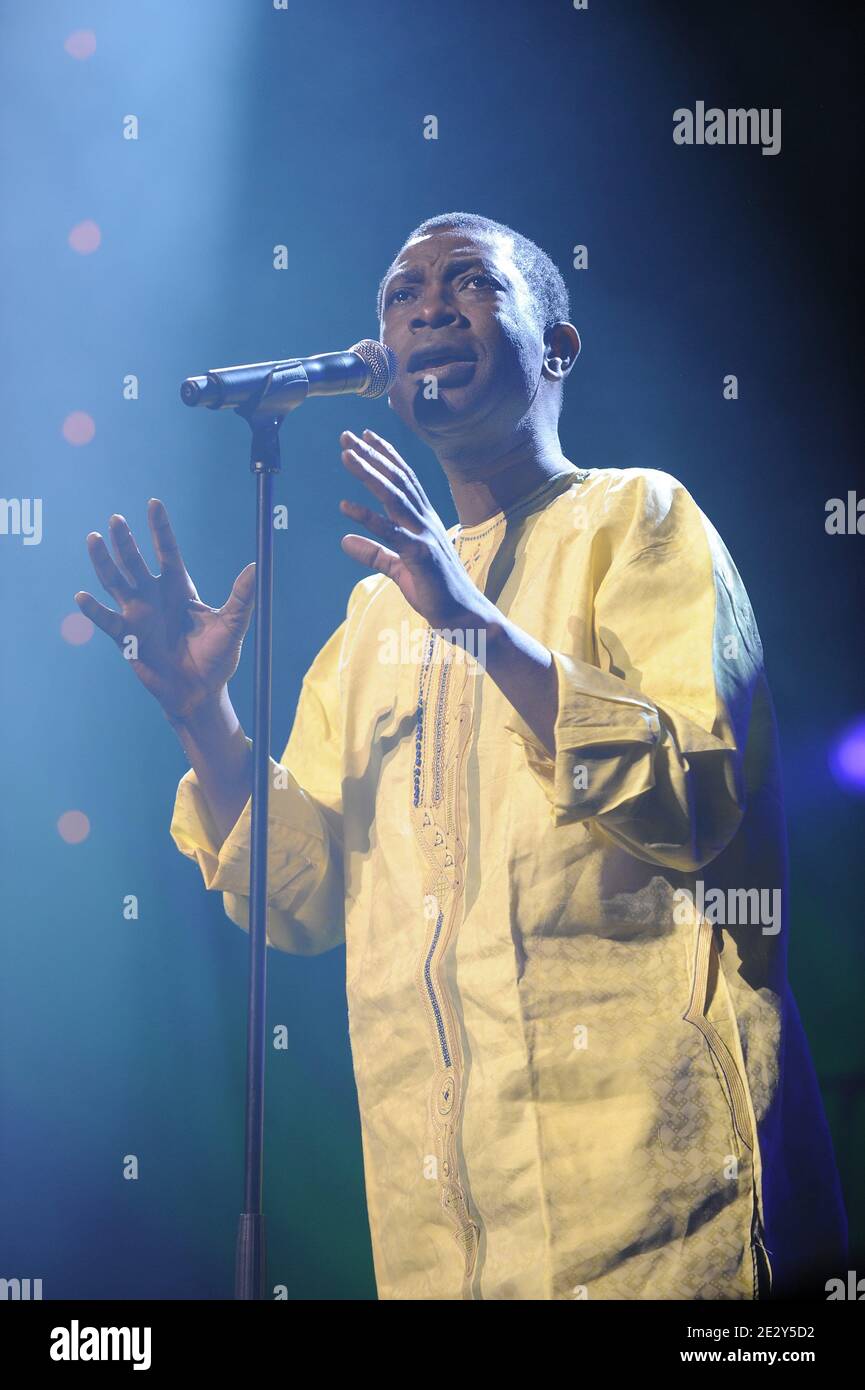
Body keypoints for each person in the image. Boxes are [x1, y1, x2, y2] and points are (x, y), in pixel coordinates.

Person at [75, 212, 848, 1301]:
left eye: (468, 281)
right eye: (401, 294)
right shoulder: (371, 616)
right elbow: (300, 898)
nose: (428, 304)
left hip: (660, 1225)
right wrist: (203, 715)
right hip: (443, 1246)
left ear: (555, 347)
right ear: (385, 372)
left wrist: (477, 624)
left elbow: (692, 799)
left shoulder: (637, 519)